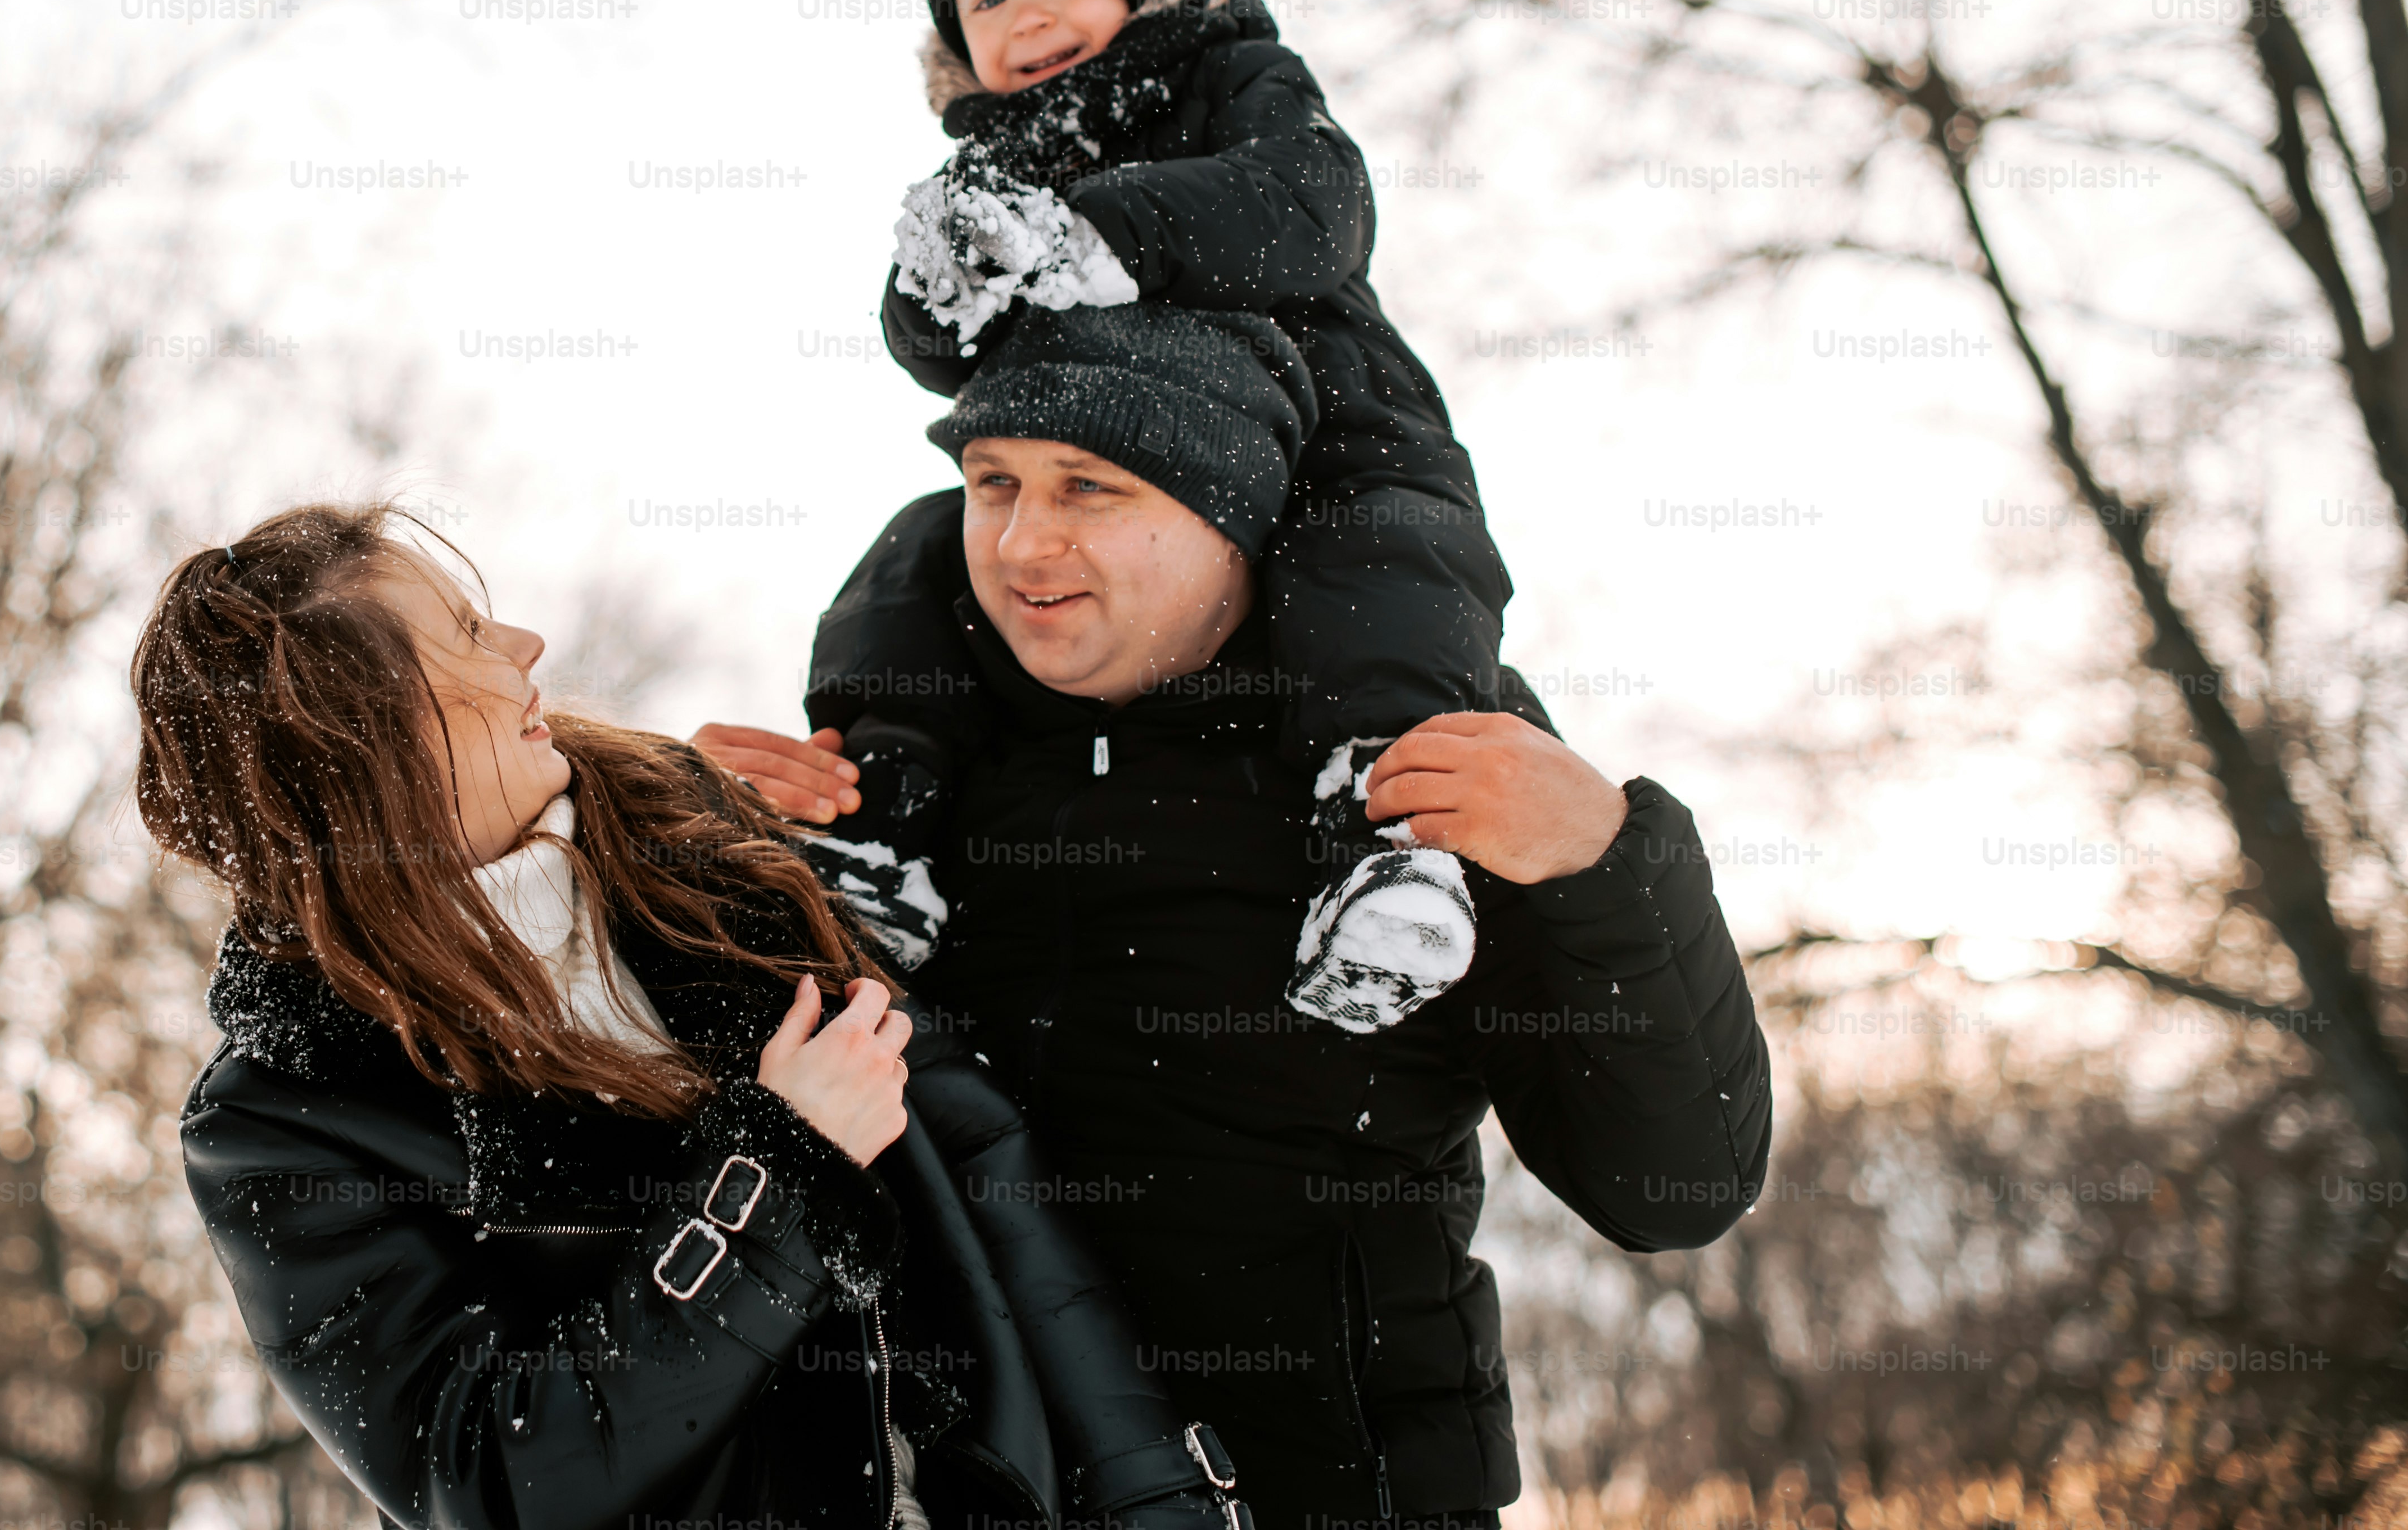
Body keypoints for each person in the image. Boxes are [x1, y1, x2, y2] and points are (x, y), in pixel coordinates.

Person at [696, 310, 1772, 1529]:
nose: (1019, 538)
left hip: (1330, 1491)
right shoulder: (898, 777)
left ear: (1231, 511)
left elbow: (1675, 1183)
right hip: (977, 1489)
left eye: (1087, 486)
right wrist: (684, 875)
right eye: (989, 480)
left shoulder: (1418, 754)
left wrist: (1605, 863)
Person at [137, 501, 1256, 1530]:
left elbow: (986, 1169)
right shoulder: (284, 1119)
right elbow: (482, 1474)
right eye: (466, 635)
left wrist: (1156, 1492)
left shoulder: (699, 858)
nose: (523, 645)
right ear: (367, 748)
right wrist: (778, 1173)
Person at [852, 0, 1516, 1030]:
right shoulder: (991, 167)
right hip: (1099, 473)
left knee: (1380, 558)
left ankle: (1389, 837)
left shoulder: (1229, 76)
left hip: (1326, 415)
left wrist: (1099, 231)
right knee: (924, 560)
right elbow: (928, 342)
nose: (1025, 17)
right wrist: (936, 294)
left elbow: (1314, 202)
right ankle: (882, 818)